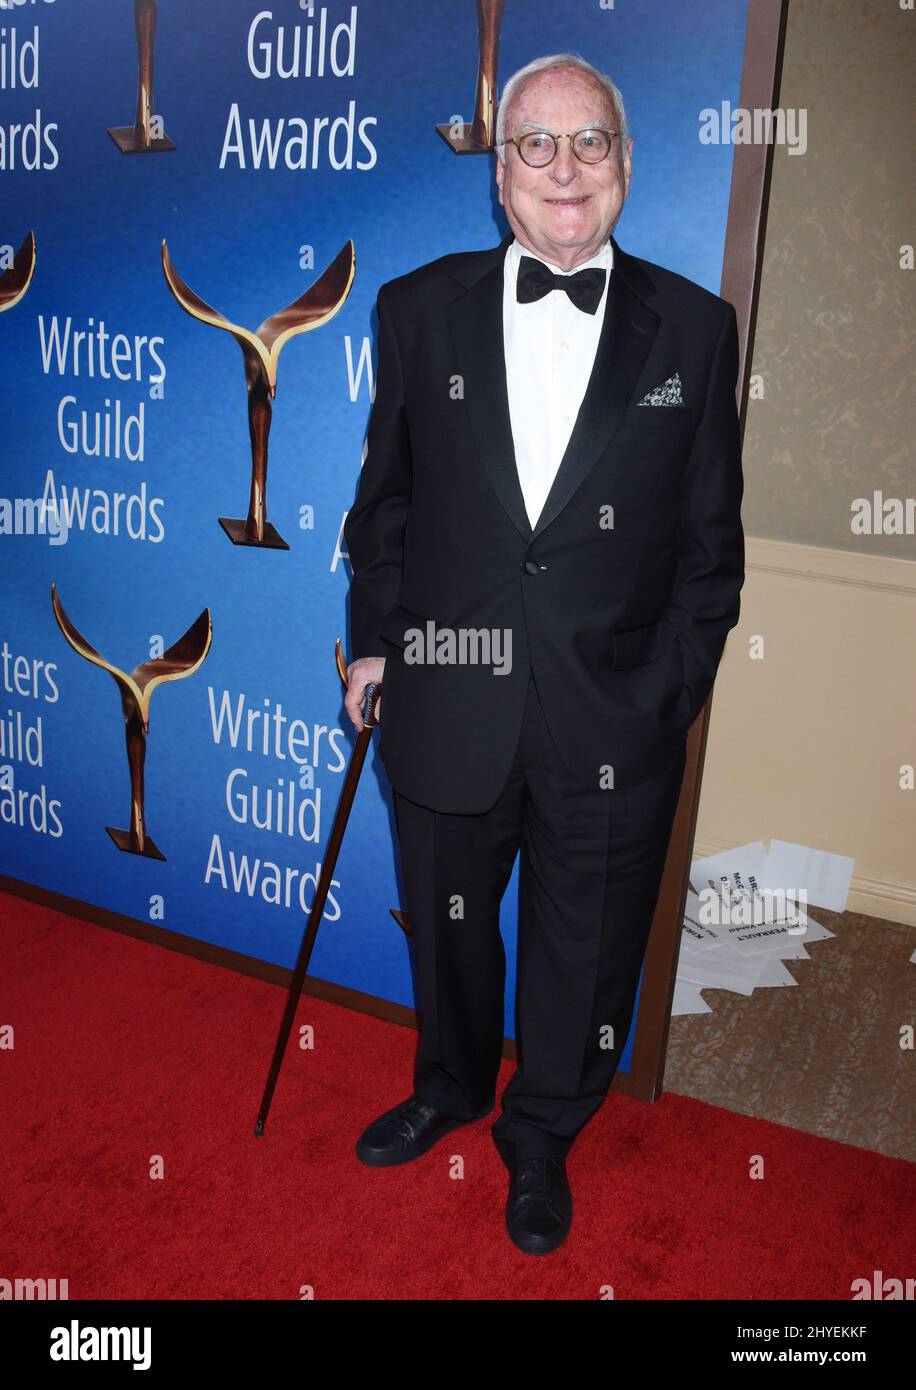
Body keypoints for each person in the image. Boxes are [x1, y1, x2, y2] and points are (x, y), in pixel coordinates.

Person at [342, 51, 745, 1256]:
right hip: (445, 693)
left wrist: (663, 696)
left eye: (589, 142)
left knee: (587, 944)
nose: (564, 168)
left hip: (611, 715)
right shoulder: (417, 309)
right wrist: (374, 648)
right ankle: (450, 1085)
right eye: (536, 144)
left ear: (625, 163)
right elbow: (385, 509)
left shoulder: (696, 329)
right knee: (450, 925)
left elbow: (710, 550)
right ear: (499, 174)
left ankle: (543, 1130)